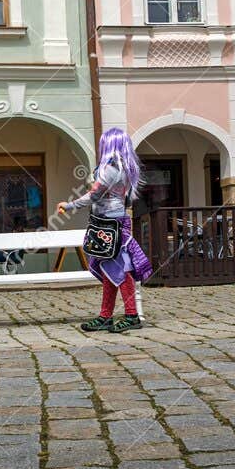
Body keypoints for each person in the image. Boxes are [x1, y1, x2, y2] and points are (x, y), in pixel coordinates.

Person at [56, 127, 154, 333]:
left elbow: (94, 194)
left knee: (120, 269)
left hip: (110, 225)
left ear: (109, 145)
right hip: (111, 223)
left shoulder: (111, 168)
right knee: (111, 270)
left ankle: (131, 315)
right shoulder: (124, 168)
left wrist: (69, 205)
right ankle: (105, 316)